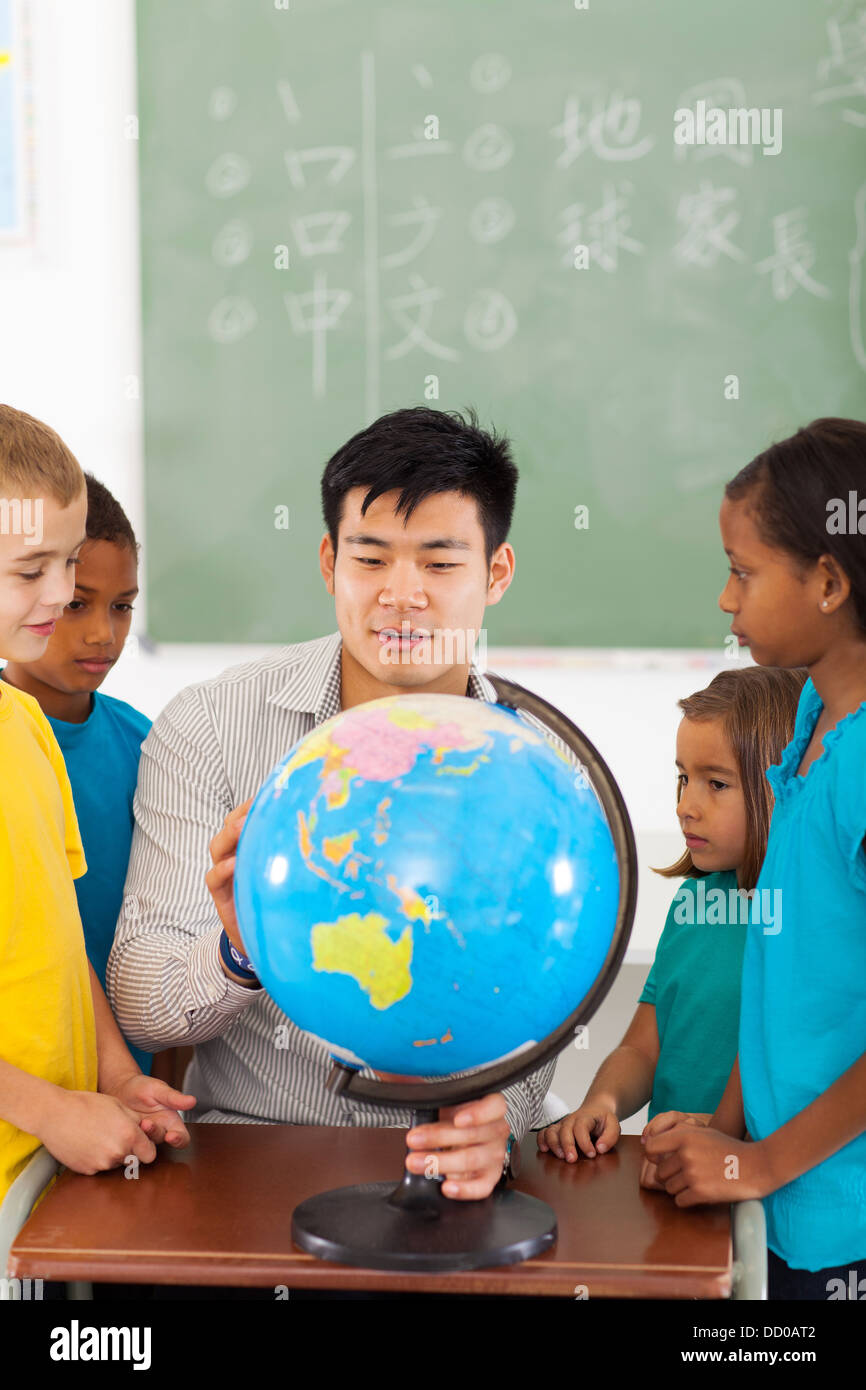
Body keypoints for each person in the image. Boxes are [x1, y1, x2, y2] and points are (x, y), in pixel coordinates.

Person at [108, 406, 564, 1201]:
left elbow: (547, 1002)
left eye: (439, 563)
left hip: (445, 1183)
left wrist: (503, 1120)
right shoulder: (213, 726)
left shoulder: (542, 768)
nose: (401, 595)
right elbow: (142, 1006)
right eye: (372, 557)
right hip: (247, 1175)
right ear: (329, 561)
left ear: (497, 573)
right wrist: (236, 953)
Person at [644, 417, 866, 1301]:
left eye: (743, 572)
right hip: (777, 1204)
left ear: (828, 580)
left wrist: (761, 1162)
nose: (727, 601)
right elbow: (784, 981)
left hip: (842, 1226)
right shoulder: (809, 718)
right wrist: (722, 1133)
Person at [0, 403, 193, 1214]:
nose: (56, 597)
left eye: (68, 565)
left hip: (51, 1169)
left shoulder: (22, 729)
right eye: (30, 570)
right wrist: (47, 1108)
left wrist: (116, 1075)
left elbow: (63, 941)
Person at [537, 666, 805, 1182]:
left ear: (785, 788)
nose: (686, 806)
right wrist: (604, 1102)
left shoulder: (812, 920)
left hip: (771, 1196)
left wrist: (721, 1129)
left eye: (717, 783)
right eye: (683, 778)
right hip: (675, 1182)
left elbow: (815, 1082)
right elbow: (643, 1047)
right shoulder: (693, 902)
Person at [1, 473, 153, 1074]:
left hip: (129, 1085)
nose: (102, 633)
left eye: (121, 607)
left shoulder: (150, 745)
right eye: (76, 604)